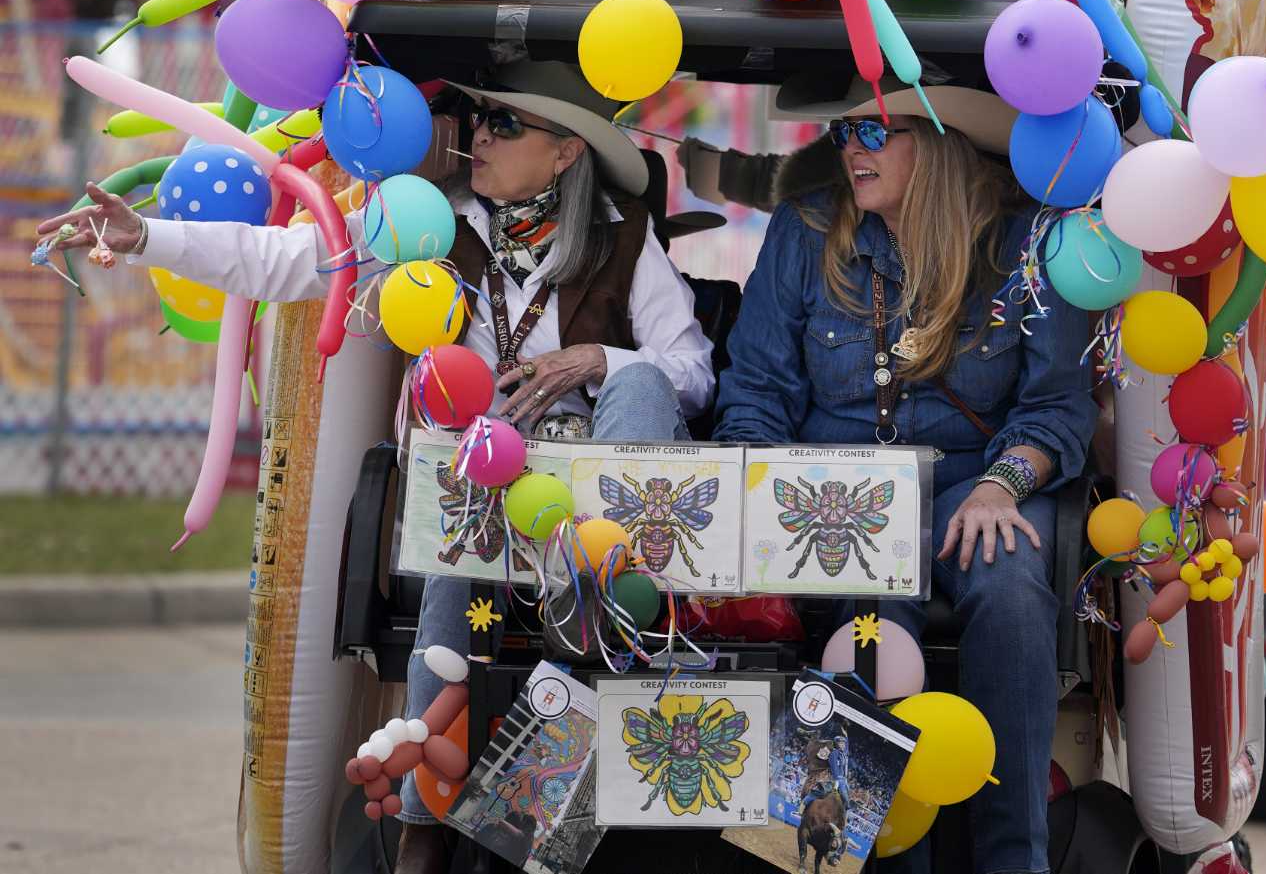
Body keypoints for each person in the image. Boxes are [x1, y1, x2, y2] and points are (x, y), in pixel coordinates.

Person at [37, 59, 715, 874]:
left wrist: (596, 359)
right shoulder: (430, 221)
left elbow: (694, 371)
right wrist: (147, 236)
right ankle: (425, 811)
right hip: (485, 485)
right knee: (463, 488)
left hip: (601, 507)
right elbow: (290, 259)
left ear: (567, 152)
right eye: (476, 116)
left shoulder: (620, 234)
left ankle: (603, 621)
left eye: (504, 124)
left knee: (642, 378)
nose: (477, 137)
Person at [711, 75, 1095, 874]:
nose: (852, 148)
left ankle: (1013, 859)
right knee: (868, 607)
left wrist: (1003, 483)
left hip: (972, 483)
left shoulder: (1029, 242)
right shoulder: (805, 228)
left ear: (942, 145)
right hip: (836, 492)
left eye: (876, 131)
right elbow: (755, 391)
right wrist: (767, 502)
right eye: (844, 133)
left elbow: (1057, 408)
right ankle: (853, 861)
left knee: (1011, 584)